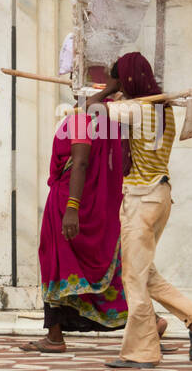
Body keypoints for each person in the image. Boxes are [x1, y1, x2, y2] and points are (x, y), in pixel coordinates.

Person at [89, 52, 192, 369]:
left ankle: (141, 352)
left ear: (126, 80)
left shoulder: (135, 109)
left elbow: (90, 109)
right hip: (159, 197)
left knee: (132, 277)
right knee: (144, 272)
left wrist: (107, 89)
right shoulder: (163, 109)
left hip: (141, 201)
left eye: (117, 78)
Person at [20, 102, 133, 354]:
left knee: (56, 265)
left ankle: (55, 336)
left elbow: (80, 163)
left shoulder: (80, 121)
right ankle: (148, 324)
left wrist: (72, 208)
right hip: (76, 203)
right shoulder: (107, 128)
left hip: (66, 205)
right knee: (68, 267)